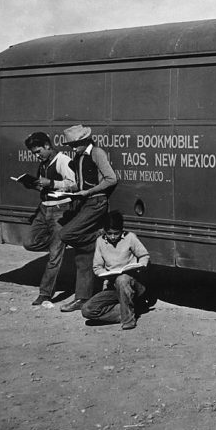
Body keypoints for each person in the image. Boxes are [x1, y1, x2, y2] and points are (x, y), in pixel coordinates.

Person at [58, 125, 118, 313]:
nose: (73, 148)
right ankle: (82, 298)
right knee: (83, 256)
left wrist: (89, 192)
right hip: (85, 202)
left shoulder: (97, 153)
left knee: (65, 234)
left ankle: (97, 238)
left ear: (85, 141)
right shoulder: (80, 156)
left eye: (75, 145)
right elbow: (82, 183)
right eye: (70, 145)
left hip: (96, 203)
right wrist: (69, 189)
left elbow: (111, 179)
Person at [21, 132, 77, 306]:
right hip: (44, 208)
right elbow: (45, 188)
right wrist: (33, 185)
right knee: (29, 242)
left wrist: (51, 183)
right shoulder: (43, 163)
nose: (37, 156)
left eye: (38, 151)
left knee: (54, 255)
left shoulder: (63, 160)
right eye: (34, 153)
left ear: (47, 145)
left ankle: (45, 294)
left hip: (60, 209)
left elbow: (74, 184)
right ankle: (59, 245)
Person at [81, 211, 150, 330]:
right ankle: (127, 310)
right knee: (87, 310)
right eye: (109, 233)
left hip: (133, 285)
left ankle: (128, 320)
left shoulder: (130, 237)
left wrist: (140, 266)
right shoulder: (100, 241)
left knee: (122, 279)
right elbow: (97, 267)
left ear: (122, 230)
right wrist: (104, 274)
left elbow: (144, 256)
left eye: (116, 233)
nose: (112, 237)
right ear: (104, 231)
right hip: (113, 286)